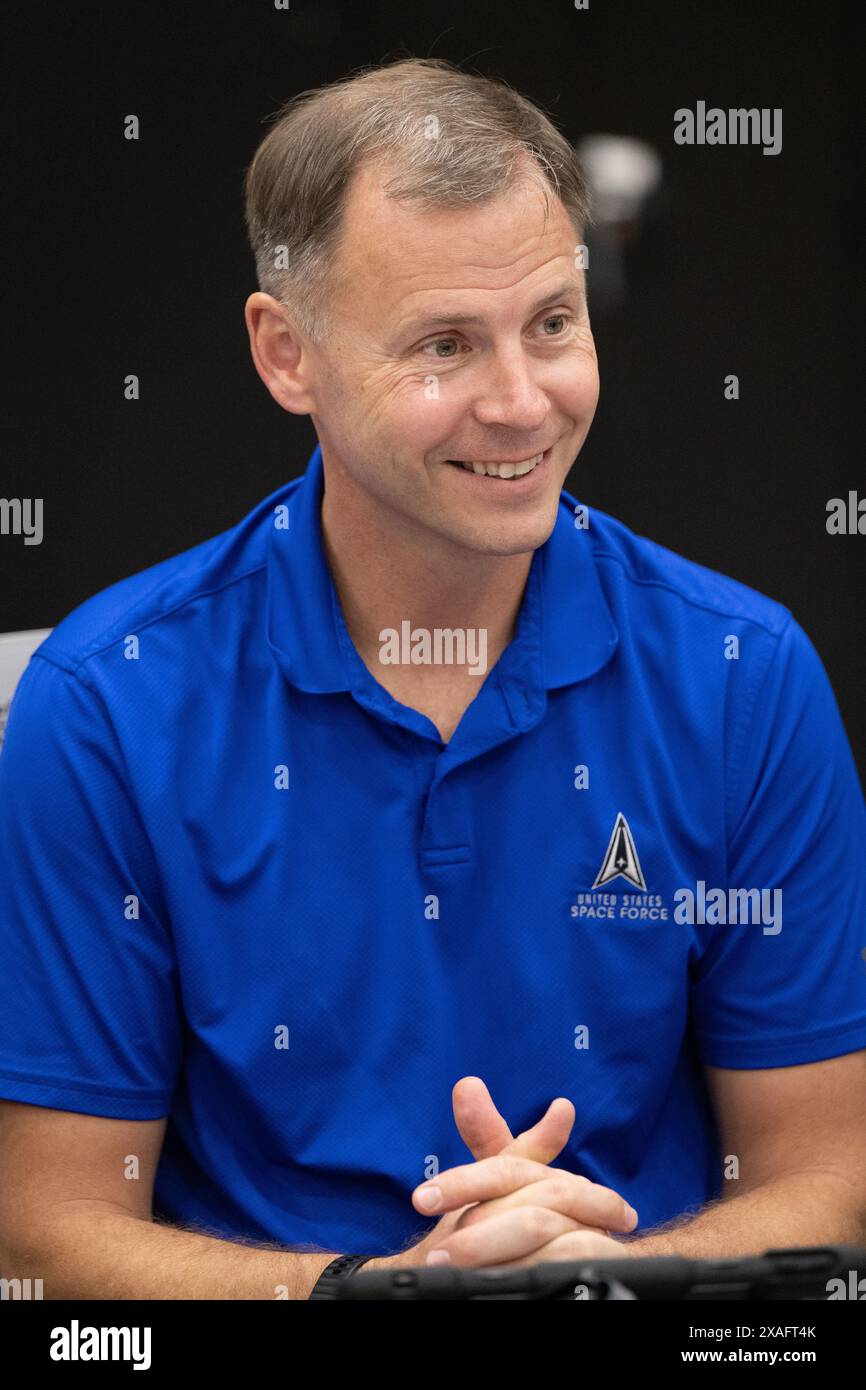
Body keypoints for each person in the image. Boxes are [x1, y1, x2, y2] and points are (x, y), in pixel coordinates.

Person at [1, 57, 864, 1301]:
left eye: (552, 324)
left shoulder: (745, 675)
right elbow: (45, 1234)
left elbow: (826, 1179)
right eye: (444, 344)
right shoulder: (104, 701)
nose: (521, 403)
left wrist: (598, 1280)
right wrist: (378, 1295)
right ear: (284, 353)